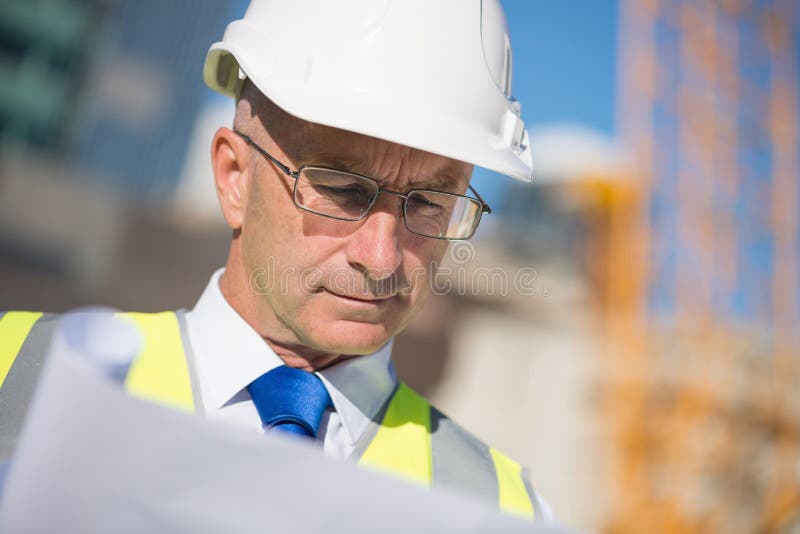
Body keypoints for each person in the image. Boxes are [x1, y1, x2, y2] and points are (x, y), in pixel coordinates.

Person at [0, 0, 554, 524]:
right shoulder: (14, 370)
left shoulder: (503, 512)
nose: (382, 258)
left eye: (431, 203)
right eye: (341, 189)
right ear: (234, 178)